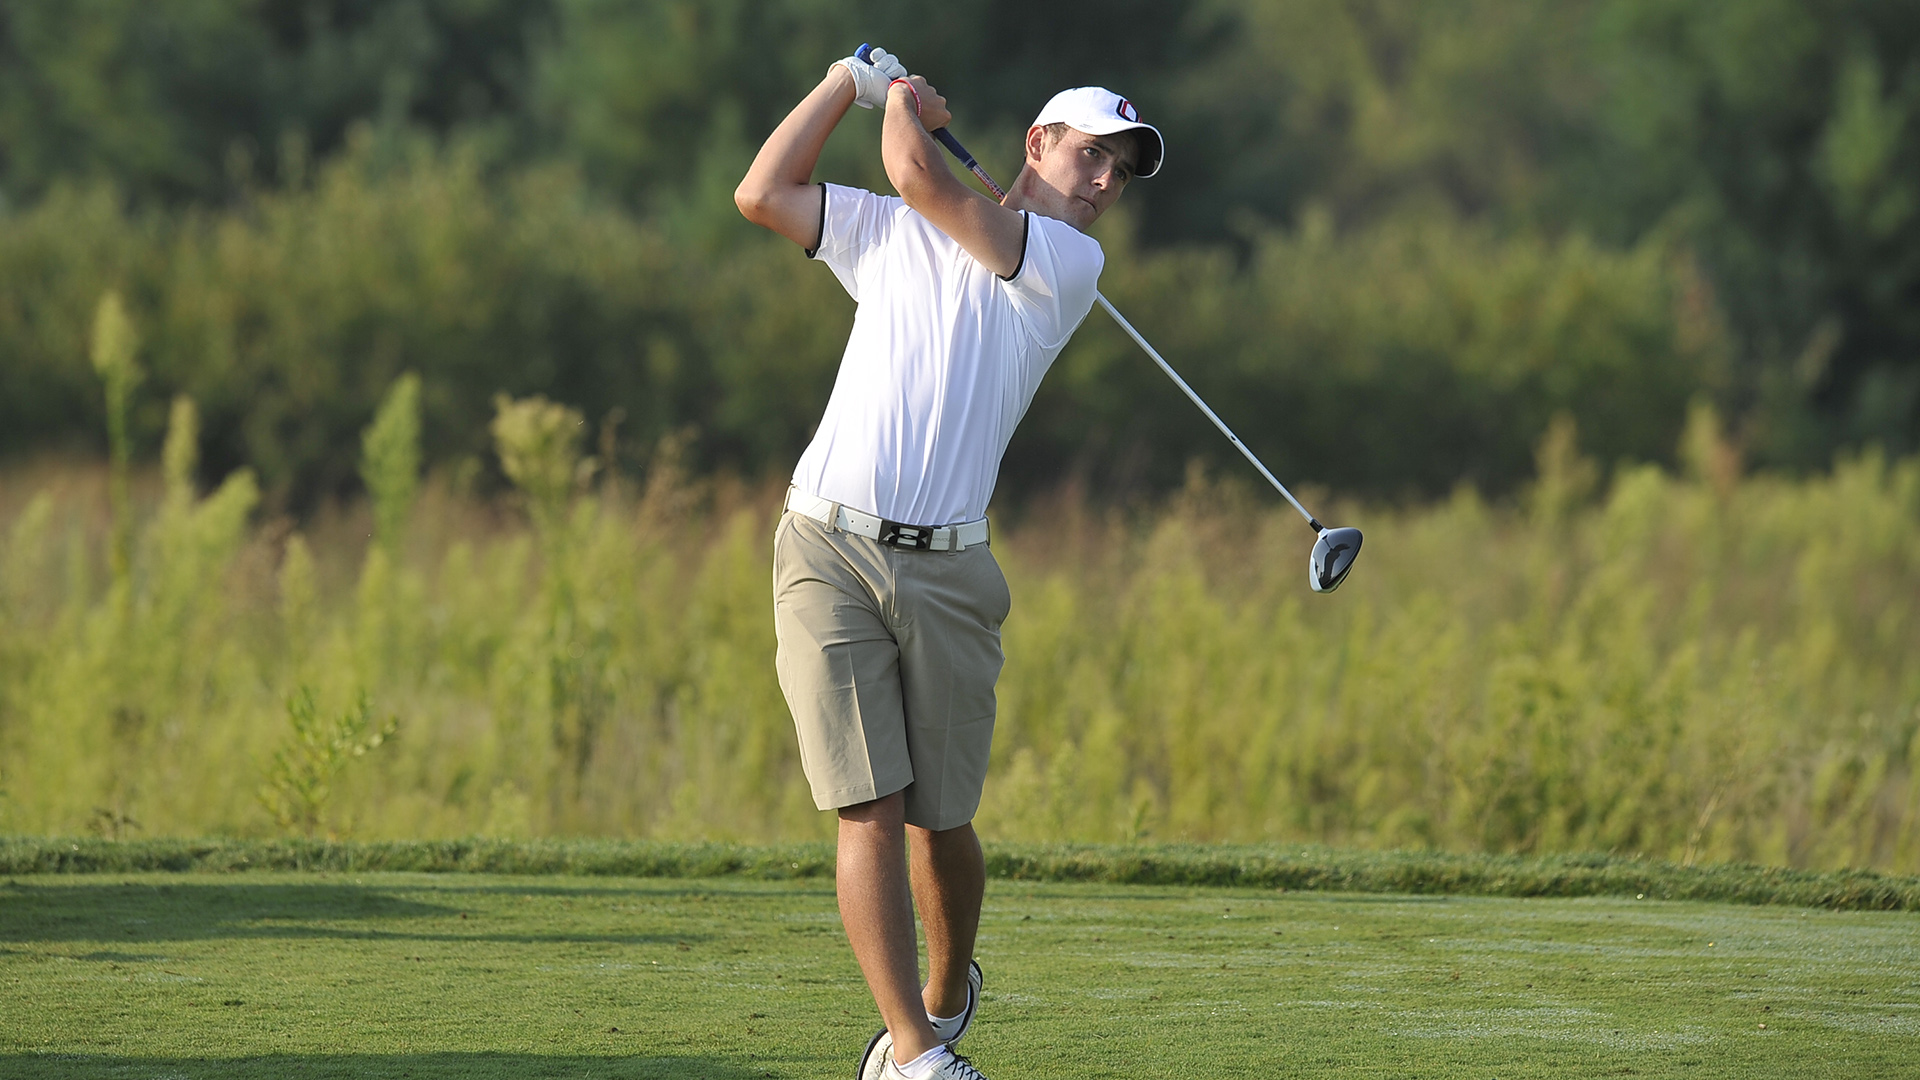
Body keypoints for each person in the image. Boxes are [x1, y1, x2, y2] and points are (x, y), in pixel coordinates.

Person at [734, 44, 1163, 1080]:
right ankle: (914, 1053)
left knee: (943, 821)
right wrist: (845, 83)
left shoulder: (1066, 266)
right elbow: (761, 192)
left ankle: (948, 982)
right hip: (826, 546)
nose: (1105, 184)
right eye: (1092, 156)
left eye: (1123, 170)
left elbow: (920, 174)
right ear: (1037, 144)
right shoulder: (886, 235)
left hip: (952, 572)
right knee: (868, 803)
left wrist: (905, 106)